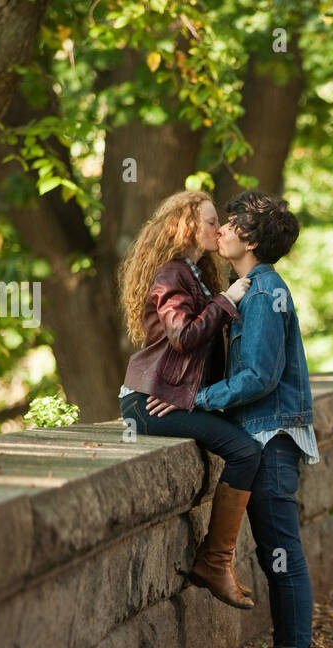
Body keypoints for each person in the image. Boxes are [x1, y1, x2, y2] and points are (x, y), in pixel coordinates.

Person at [146, 189, 318, 648]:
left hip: (270, 436)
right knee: (278, 553)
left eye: (231, 223)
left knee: (282, 555)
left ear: (250, 238)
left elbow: (259, 376)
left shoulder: (264, 294)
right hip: (269, 433)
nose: (220, 229)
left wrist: (198, 398)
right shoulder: (257, 288)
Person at [117, 190, 261, 611]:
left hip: (169, 399)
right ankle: (215, 563)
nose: (220, 229)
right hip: (146, 404)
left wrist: (193, 398)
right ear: (188, 226)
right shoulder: (172, 274)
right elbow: (183, 336)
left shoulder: (197, 272)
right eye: (213, 221)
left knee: (249, 447)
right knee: (245, 451)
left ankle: (217, 562)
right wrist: (227, 300)